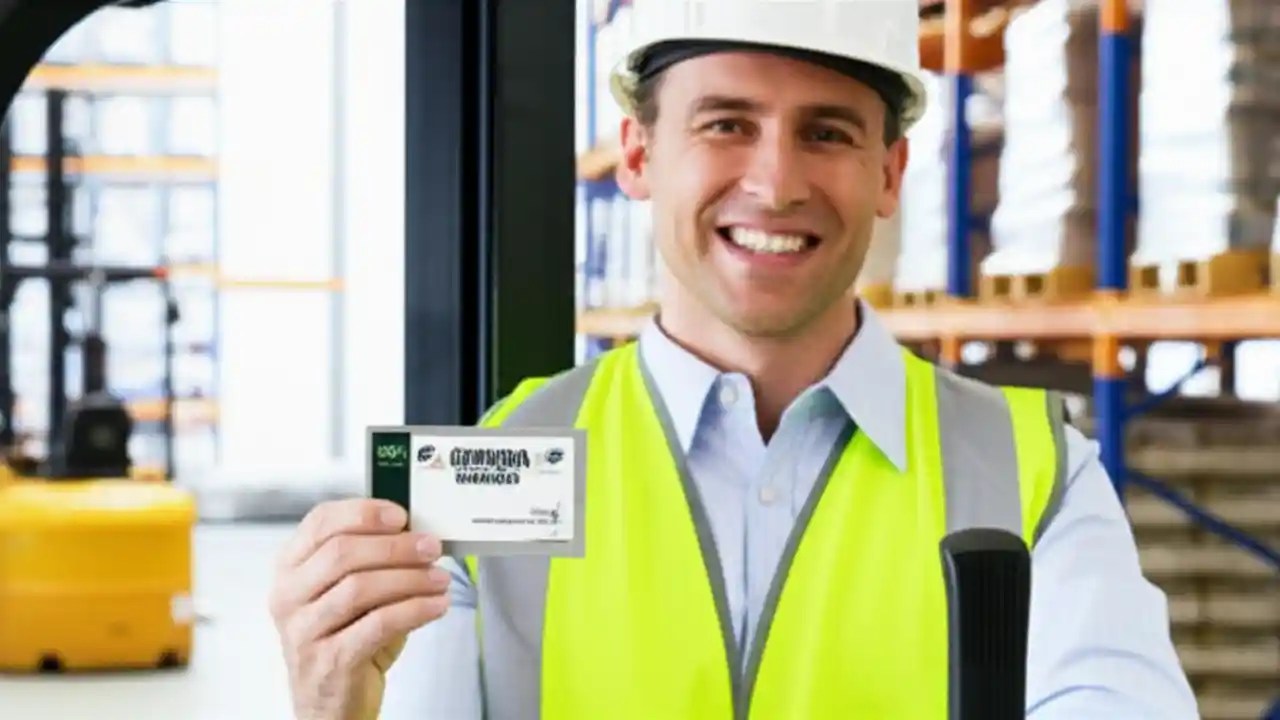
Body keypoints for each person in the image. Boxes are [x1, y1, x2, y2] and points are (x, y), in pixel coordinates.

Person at [269, 2, 1199, 718]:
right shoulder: (501, 466)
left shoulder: (1032, 469)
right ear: (638, 155)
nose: (776, 182)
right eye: (725, 124)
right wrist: (330, 701)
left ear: (888, 174)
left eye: (827, 132)